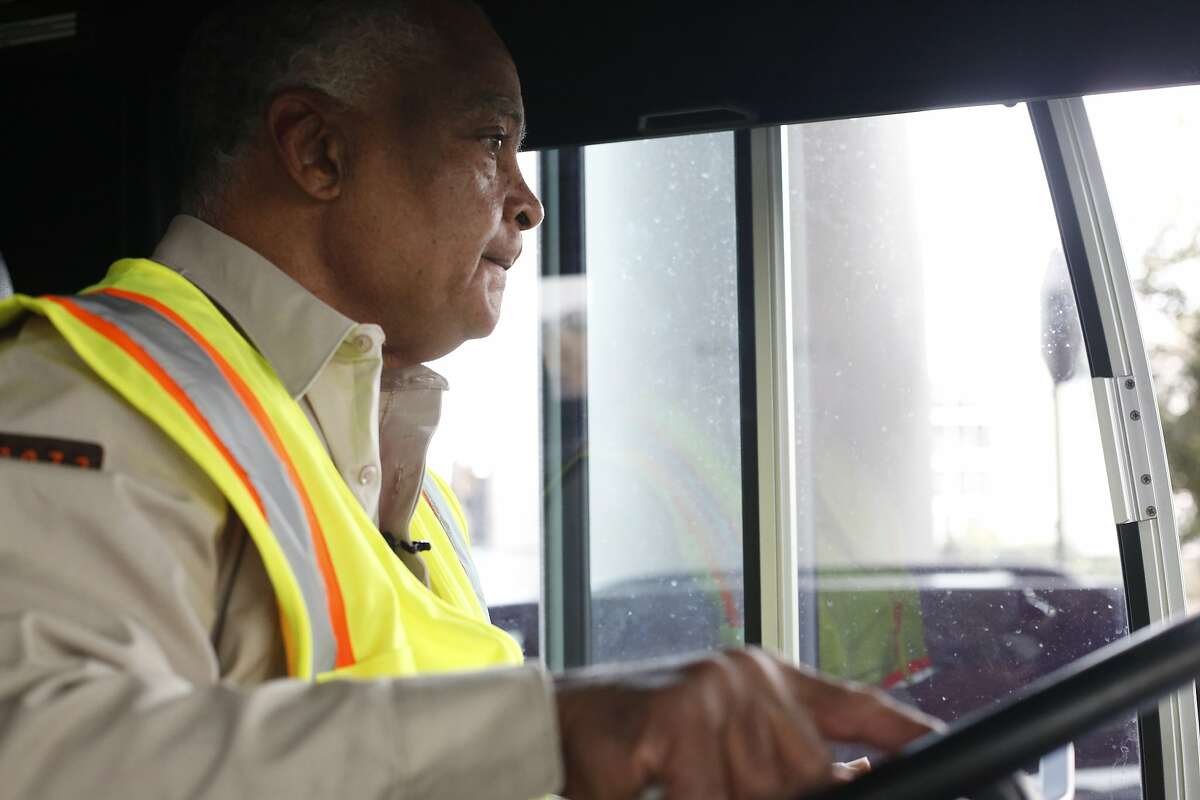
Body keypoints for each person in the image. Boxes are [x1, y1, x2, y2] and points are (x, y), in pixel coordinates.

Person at [0, 1, 938, 797]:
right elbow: (42, 759)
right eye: (492, 141)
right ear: (318, 151)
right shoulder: (83, 388)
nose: (529, 201)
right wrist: (560, 724)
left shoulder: (399, 475)